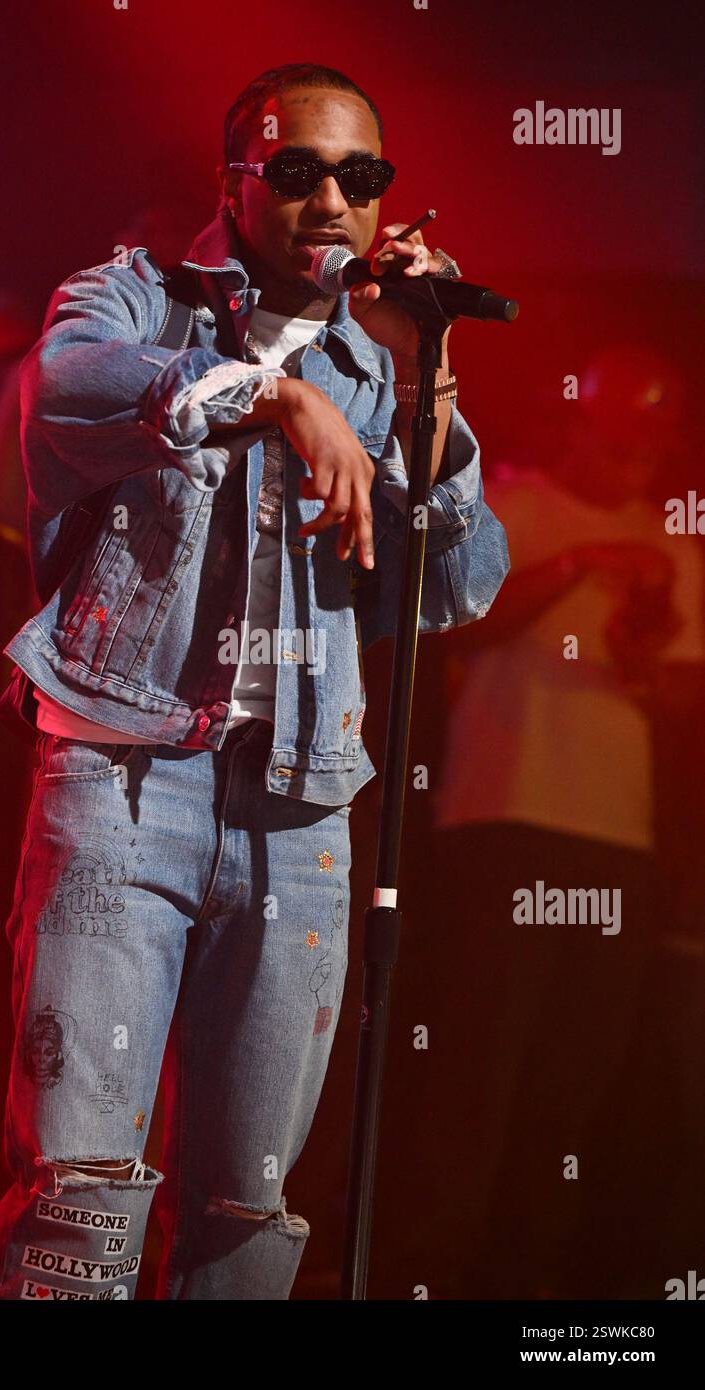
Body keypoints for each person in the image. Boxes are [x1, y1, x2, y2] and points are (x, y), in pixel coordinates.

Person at [0, 63, 509, 1302]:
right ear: (234, 181)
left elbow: (450, 588)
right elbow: (61, 389)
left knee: (245, 1209)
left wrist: (426, 377)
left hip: (301, 813)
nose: (332, 201)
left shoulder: (378, 367)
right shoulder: (132, 297)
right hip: (124, 778)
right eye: (298, 171)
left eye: (360, 180)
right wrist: (273, 398)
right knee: (80, 1196)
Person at [389, 345, 705, 1298]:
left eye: (655, 446)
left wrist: (642, 643)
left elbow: (681, 711)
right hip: (502, 824)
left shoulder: (678, 548)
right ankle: (429, 1277)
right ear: (580, 426)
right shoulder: (512, 502)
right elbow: (455, 622)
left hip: (618, 843)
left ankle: (524, 1298)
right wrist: (578, 565)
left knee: (573, 1088)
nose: (637, 462)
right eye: (622, 440)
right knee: (475, 1075)